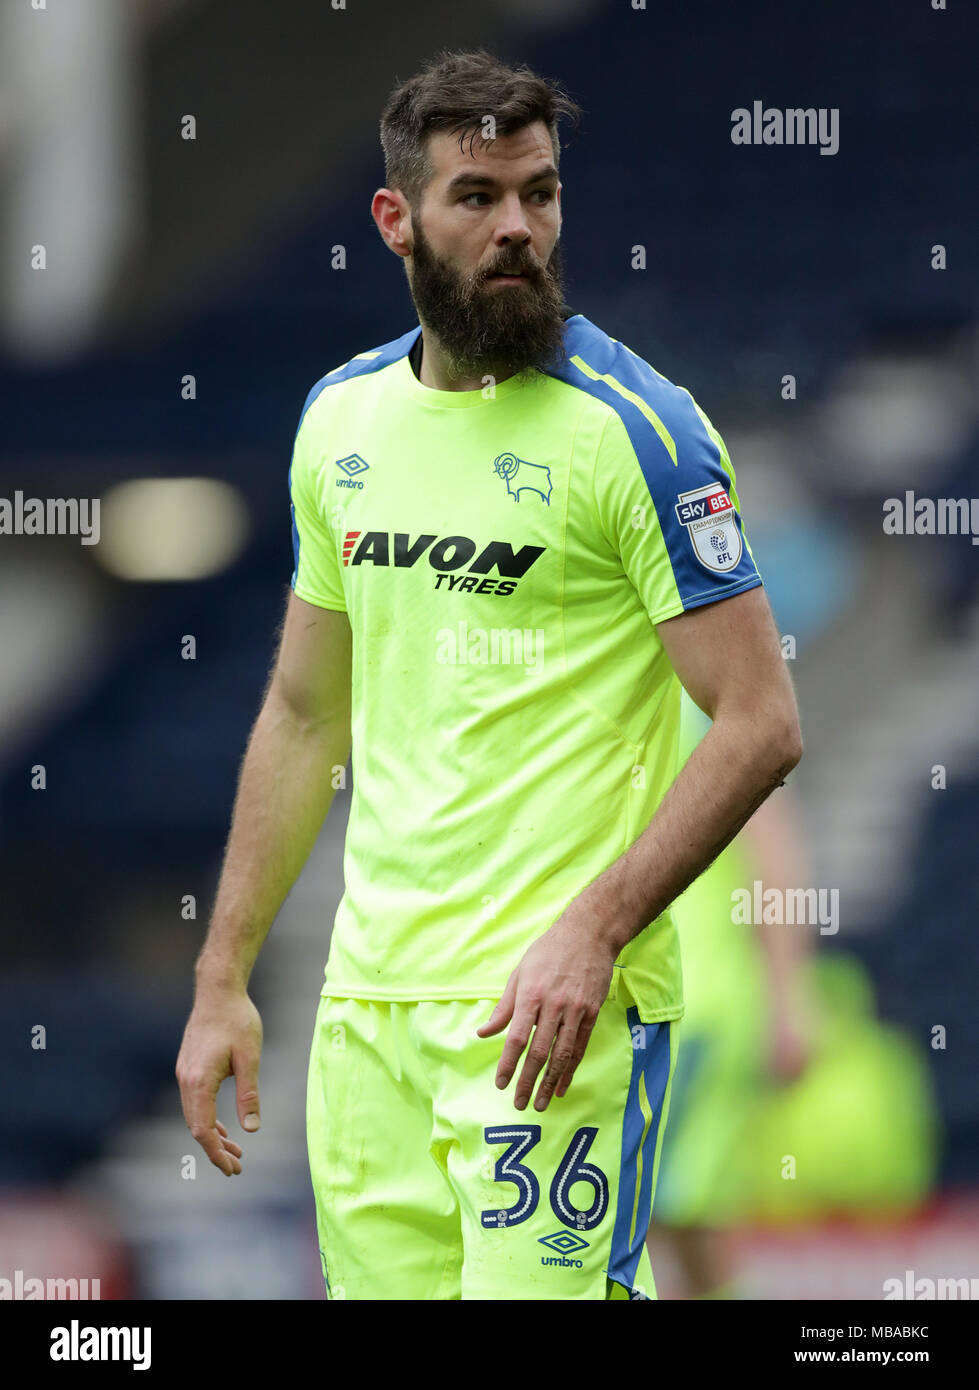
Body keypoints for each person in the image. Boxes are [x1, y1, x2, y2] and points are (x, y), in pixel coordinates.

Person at [176, 48, 802, 1301]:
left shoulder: (644, 432)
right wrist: (222, 976)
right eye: (478, 197)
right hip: (367, 1018)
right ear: (396, 220)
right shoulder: (339, 422)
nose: (518, 226)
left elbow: (760, 721)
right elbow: (304, 716)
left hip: (556, 1021)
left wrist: (595, 927)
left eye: (541, 194)